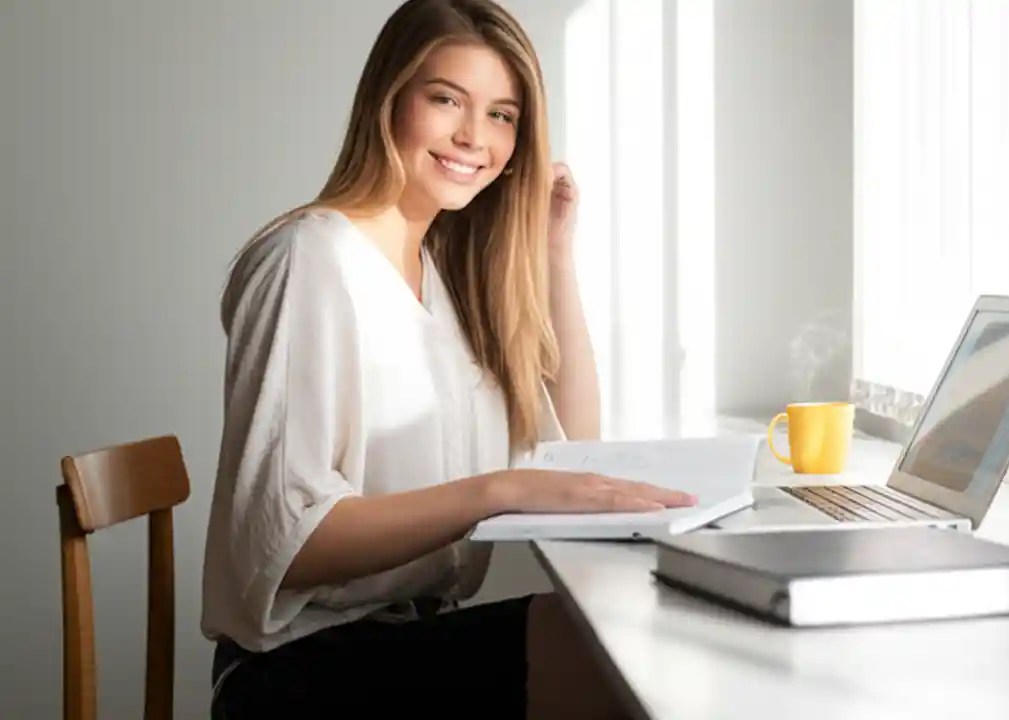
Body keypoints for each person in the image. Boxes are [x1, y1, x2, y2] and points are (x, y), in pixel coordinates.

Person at [200, 1, 695, 717]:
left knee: (621, 629)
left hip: (404, 639)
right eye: (446, 100)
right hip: (294, 672)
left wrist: (555, 254)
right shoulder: (309, 260)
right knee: (604, 649)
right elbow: (287, 541)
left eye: (502, 115)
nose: (474, 137)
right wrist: (495, 492)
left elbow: (577, 447)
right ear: (388, 99)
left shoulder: (439, 279)